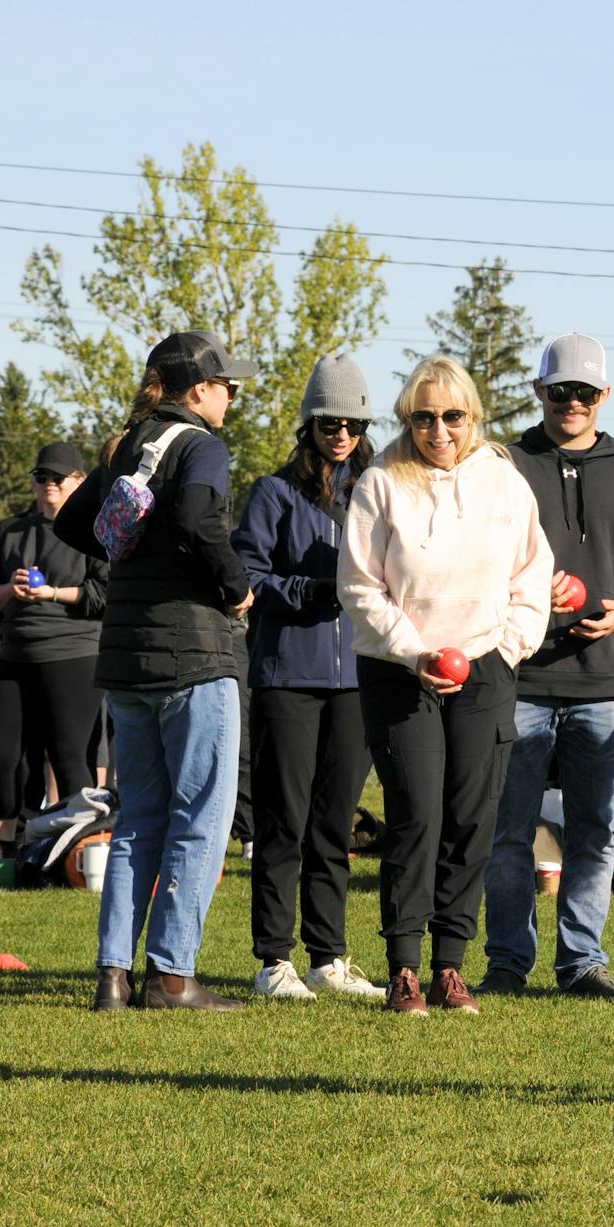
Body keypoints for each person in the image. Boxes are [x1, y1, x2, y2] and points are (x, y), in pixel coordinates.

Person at [340, 355, 552, 1016]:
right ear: (408, 419)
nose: (439, 430)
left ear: (473, 417)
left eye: (452, 416)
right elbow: (358, 586)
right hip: (400, 668)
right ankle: (404, 967)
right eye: (424, 417)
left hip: (485, 664)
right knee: (417, 816)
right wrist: (414, 649)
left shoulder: (505, 484)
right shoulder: (380, 482)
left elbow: (532, 576)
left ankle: (450, 967)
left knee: (470, 818)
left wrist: (510, 646)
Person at [55, 330, 256, 1011]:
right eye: (227, 385)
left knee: (137, 816)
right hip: (195, 655)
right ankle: (172, 977)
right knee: (199, 817)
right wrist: (235, 586)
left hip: (128, 656)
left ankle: (114, 976)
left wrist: (138, 542)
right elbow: (201, 519)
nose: (232, 397)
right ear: (198, 388)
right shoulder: (202, 446)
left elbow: (75, 524)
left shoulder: (129, 445)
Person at [480, 334, 614, 1001]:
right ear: (539, 392)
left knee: (594, 836)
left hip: (605, 678)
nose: (572, 403)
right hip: (518, 675)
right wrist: (519, 591)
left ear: (604, 396)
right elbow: (474, 562)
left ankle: (582, 962)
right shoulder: (503, 466)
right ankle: (505, 963)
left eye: (585, 392)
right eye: (560, 391)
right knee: (508, 834)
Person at [230, 352, 383, 1001]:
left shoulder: (379, 491)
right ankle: (274, 961)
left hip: (358, 680)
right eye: (329, 421)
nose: (341, 432)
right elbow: (247, 579)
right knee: (283, 821)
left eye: (351, 421)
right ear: (309, 425)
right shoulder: (274, 493)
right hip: (287, 677)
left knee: (333, 824)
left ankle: (329, 957)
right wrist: (315, 590)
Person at [0, 443, 108, 857]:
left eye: (58, 477)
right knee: (1, 752)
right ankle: (7, 841)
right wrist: (8, 591)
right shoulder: (10, 531)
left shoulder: (94, 532)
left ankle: (78, 846)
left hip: (74, 653)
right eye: (41, 477)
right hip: (16, 654)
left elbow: (103, 595)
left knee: (68, 753)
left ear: (79, 483)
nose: (48, 484)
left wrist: (50, 593)